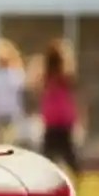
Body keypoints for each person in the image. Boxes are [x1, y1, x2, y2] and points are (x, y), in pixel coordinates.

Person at [33, 40, 81, 181]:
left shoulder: (63, 77)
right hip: (58, 122)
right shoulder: (50, 77)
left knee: (63, 156)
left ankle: (72, 179)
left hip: (57, 122)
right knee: (59, 156)